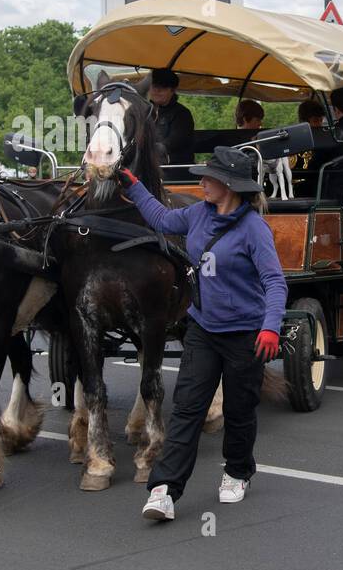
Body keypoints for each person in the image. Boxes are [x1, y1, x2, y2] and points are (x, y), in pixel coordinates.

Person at [119, 146, 288, 521]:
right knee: (187, 409)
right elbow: (161, 218)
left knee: (239, 410)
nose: (201, 182)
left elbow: (275, 282)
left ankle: (237, 471)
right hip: (203, 329)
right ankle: (164, 490)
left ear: (228, 185)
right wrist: (134, 187)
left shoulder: (253, 229)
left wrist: (270, 328)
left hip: (246, 334)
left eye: (208, 178)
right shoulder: (198, 214)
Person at [148, 68, 197, 165]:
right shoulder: (143, 111)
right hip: (149, 166)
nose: (157, 90)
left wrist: (145, 150)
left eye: (163, 87)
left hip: (174, 168)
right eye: (154, 86)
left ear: (173, 90)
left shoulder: (182, 114)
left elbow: (172, 143)